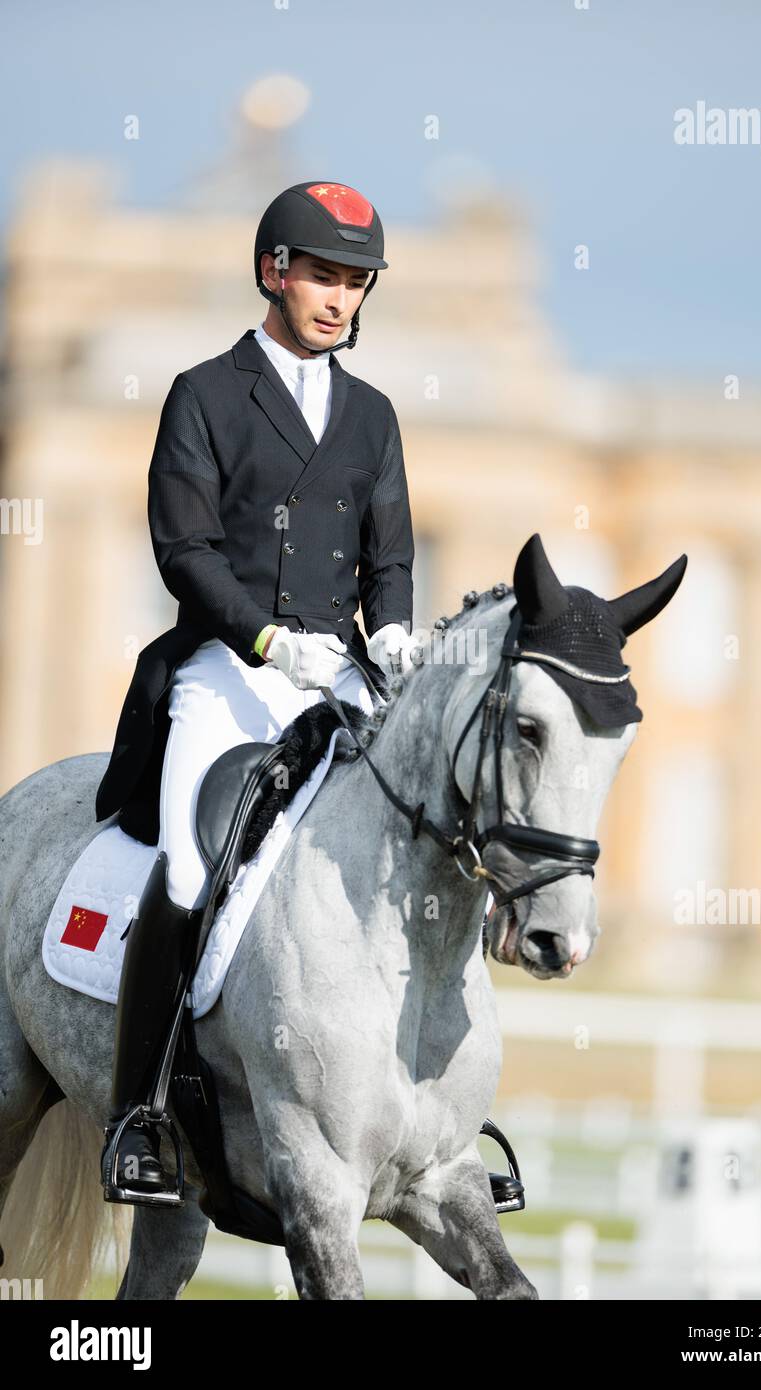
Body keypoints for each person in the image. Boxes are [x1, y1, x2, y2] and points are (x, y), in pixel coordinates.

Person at [100, 181, 417, 1203]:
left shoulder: (370, 415)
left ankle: (430, 1104)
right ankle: (137, 1112)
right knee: (194, 867)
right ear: (274, 269)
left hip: (339, 676)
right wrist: (269, 641)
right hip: (230, 670)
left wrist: (396, 630)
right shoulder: (204, 391)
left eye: (354, 282)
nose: (338, 298)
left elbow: (390, 553)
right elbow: (183, 549)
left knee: (417, 845)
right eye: (323, 274)